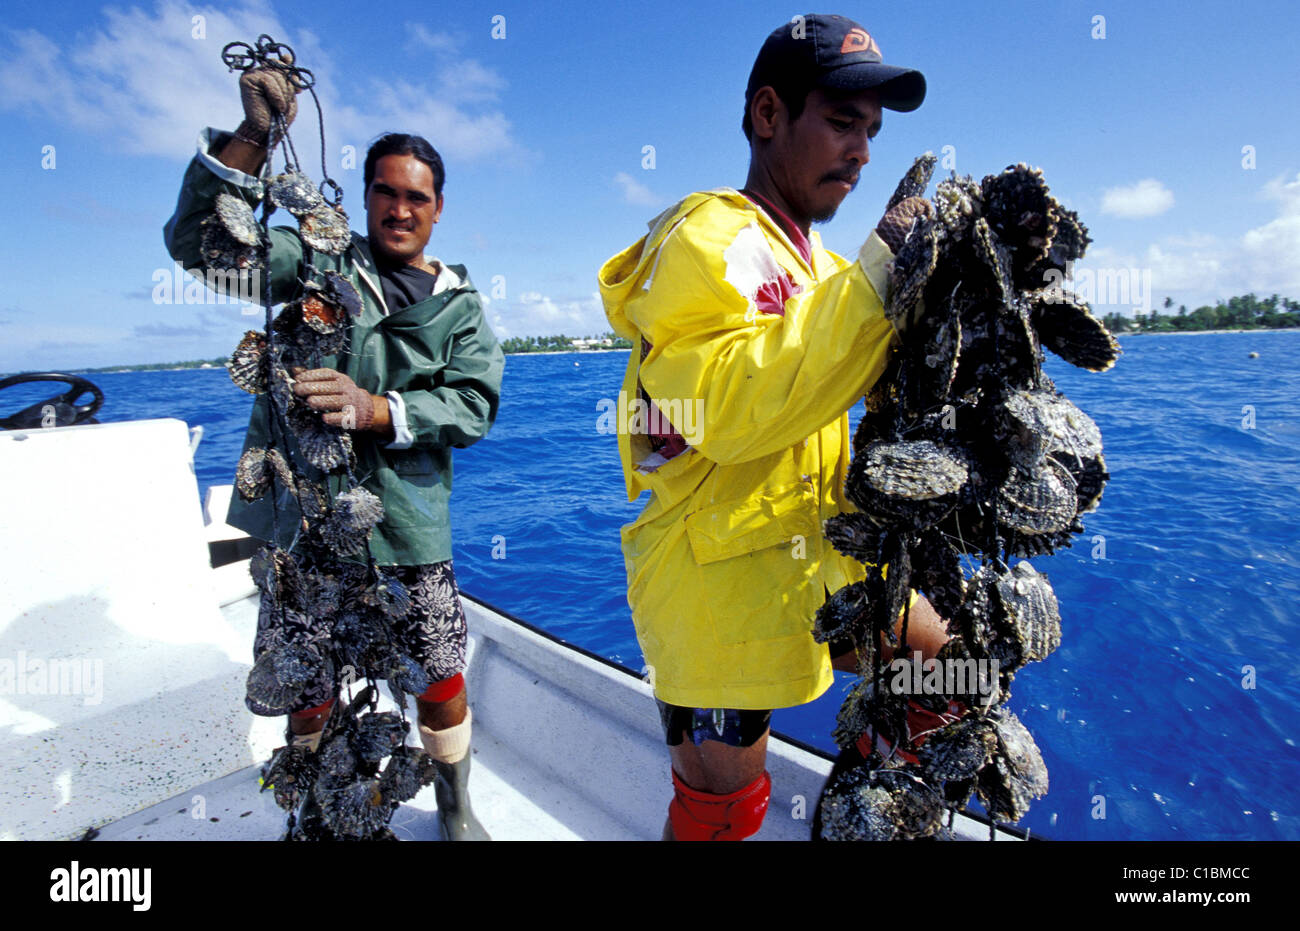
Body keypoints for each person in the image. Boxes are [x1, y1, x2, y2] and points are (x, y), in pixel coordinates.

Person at [598, 14, 954, 841]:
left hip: (823, 550)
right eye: (840, 122)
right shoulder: (703, 237)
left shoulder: (827, 267)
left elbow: (870, 371)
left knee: (947, 660)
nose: (863, 152)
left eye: (871, 132)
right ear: (766, 115)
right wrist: (883, 268)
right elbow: (725, 407)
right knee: (722, 810)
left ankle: (861, 807)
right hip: (715, 580)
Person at [163, 61, 503, 841]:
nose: (400, 208)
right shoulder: (317, 259)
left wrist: (377, 407)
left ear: (439, 208)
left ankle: (456, 805)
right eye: (386, 191)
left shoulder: (462, 307)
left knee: (440, 671)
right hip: (304, 522)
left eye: (417, 195)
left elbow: (475, 404)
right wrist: (254, 134)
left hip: (408, 525)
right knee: (304, 678)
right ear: (367, 195)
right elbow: (203, 246)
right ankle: (315, 807)